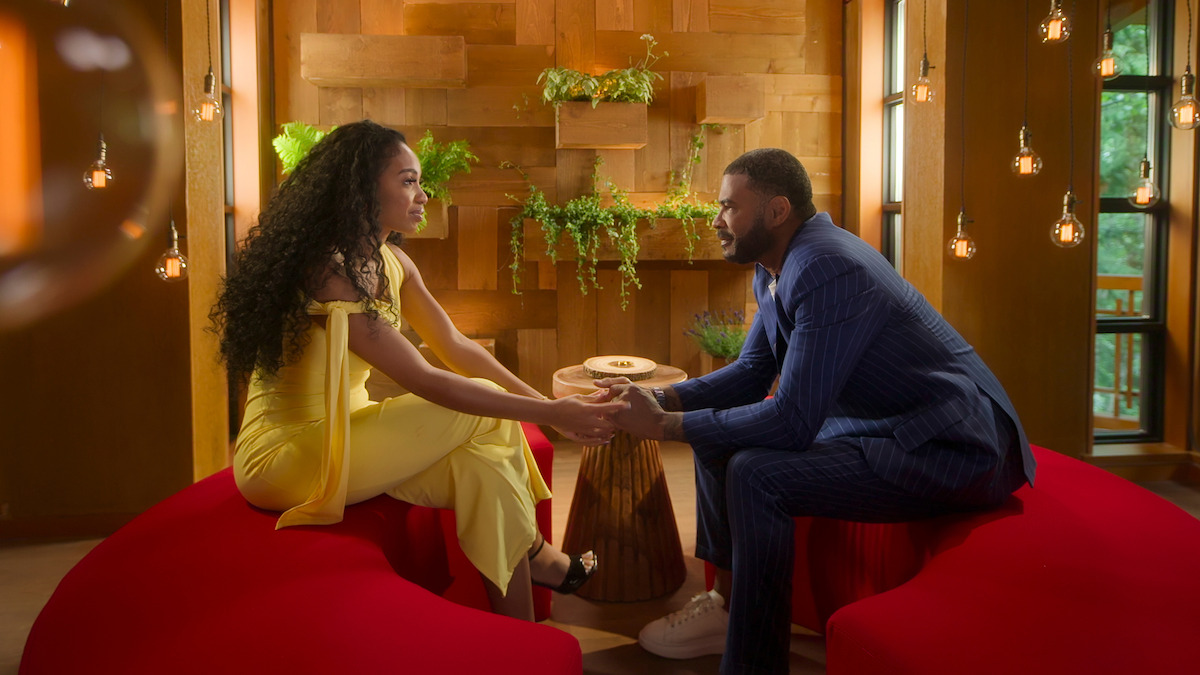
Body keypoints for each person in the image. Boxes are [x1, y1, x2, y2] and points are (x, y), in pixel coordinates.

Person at [595, 147, 1036, 673]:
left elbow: (791, 421)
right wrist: (657, 399)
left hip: (954, 445)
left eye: (730, 207)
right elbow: (751, 373)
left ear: (777, 211)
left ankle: (755, 662)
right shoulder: (777, 263)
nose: (716, 221)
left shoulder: (826, 266)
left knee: (756, 473)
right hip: (892, 422)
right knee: (722, 440)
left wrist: (666, 426)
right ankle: (726, 608)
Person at [211, 120, 624, 621]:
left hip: (349, 434)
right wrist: (550, 412)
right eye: (407, 181)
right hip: (285, 455)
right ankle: (540, 555)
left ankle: (519, 633)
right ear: (361, 188)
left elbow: (453, 346)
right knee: (477, 410)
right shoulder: (328, 271)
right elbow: (425, 379)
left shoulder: (393, 263)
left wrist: (547, 408)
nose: (423, 195)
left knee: (485, 469)